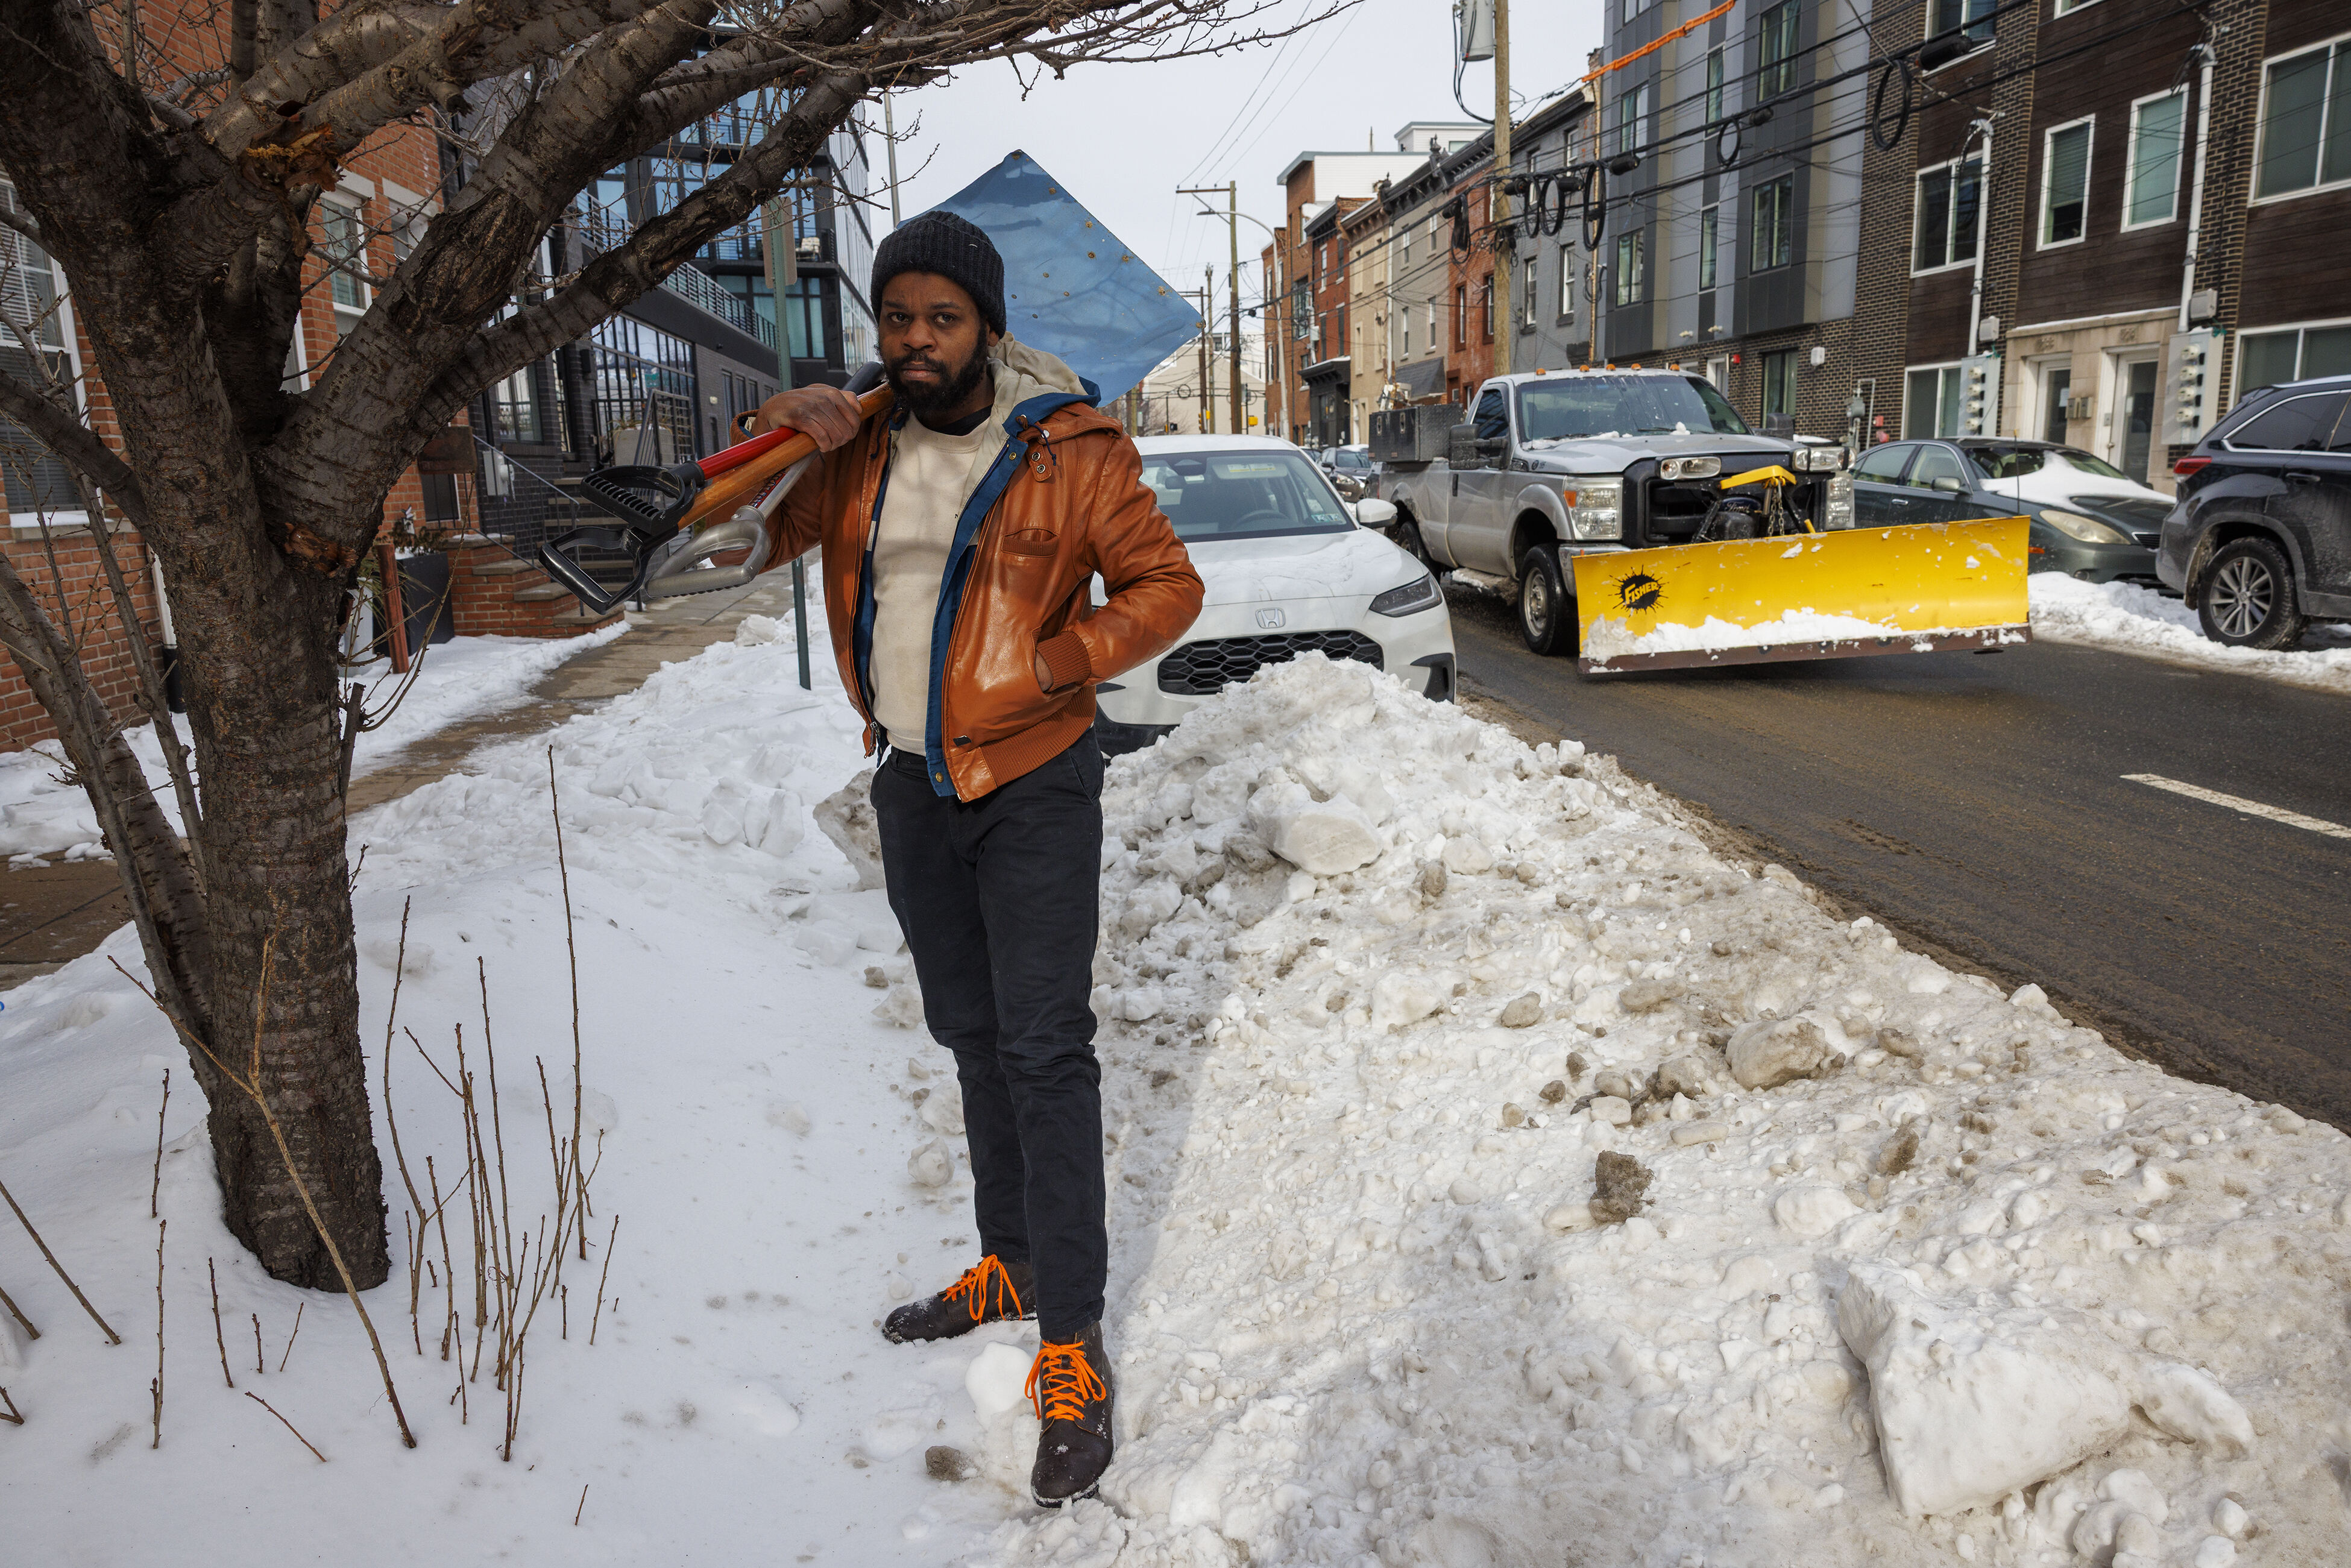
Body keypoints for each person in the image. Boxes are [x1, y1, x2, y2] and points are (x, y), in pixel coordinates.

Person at [752, 210, 1203, 1508]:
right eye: (898, 318)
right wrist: (788, 440)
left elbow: (1167, 587)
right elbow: (735, 545)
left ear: (986, 327)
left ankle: (1071, 1339)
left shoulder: (1070, 448)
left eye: (941, 319)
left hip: (1034, 784)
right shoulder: (859, 443)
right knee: (968, 1030)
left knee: (1045, 1046)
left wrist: (1053, 662)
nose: (915, 341)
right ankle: (1005, 1258)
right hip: (912, 782)